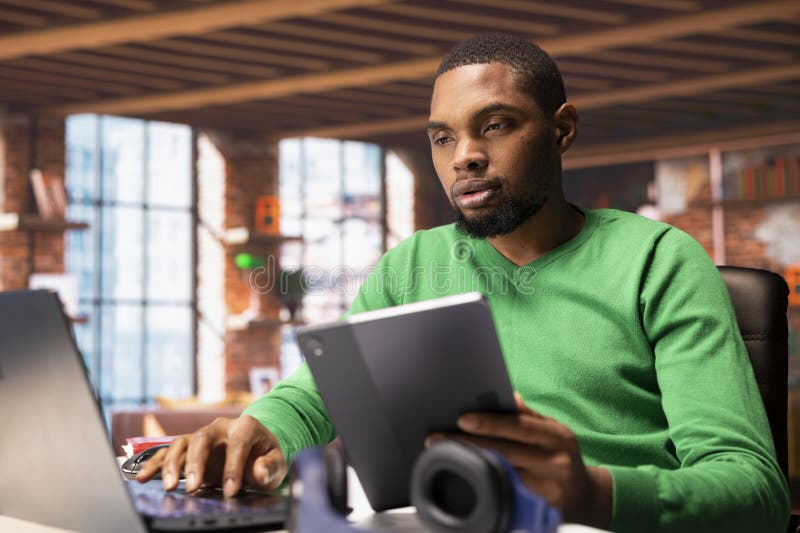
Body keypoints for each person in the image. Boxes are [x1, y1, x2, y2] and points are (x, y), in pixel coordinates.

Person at [137, 33, 790, 532]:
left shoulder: (660, 260)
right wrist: (253, 428)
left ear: (561, 131)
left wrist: (591, 490)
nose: (464, 156)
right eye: (443, 138)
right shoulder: (410, 265)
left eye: (496, 125)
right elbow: (315, 398)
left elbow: (755, 491)